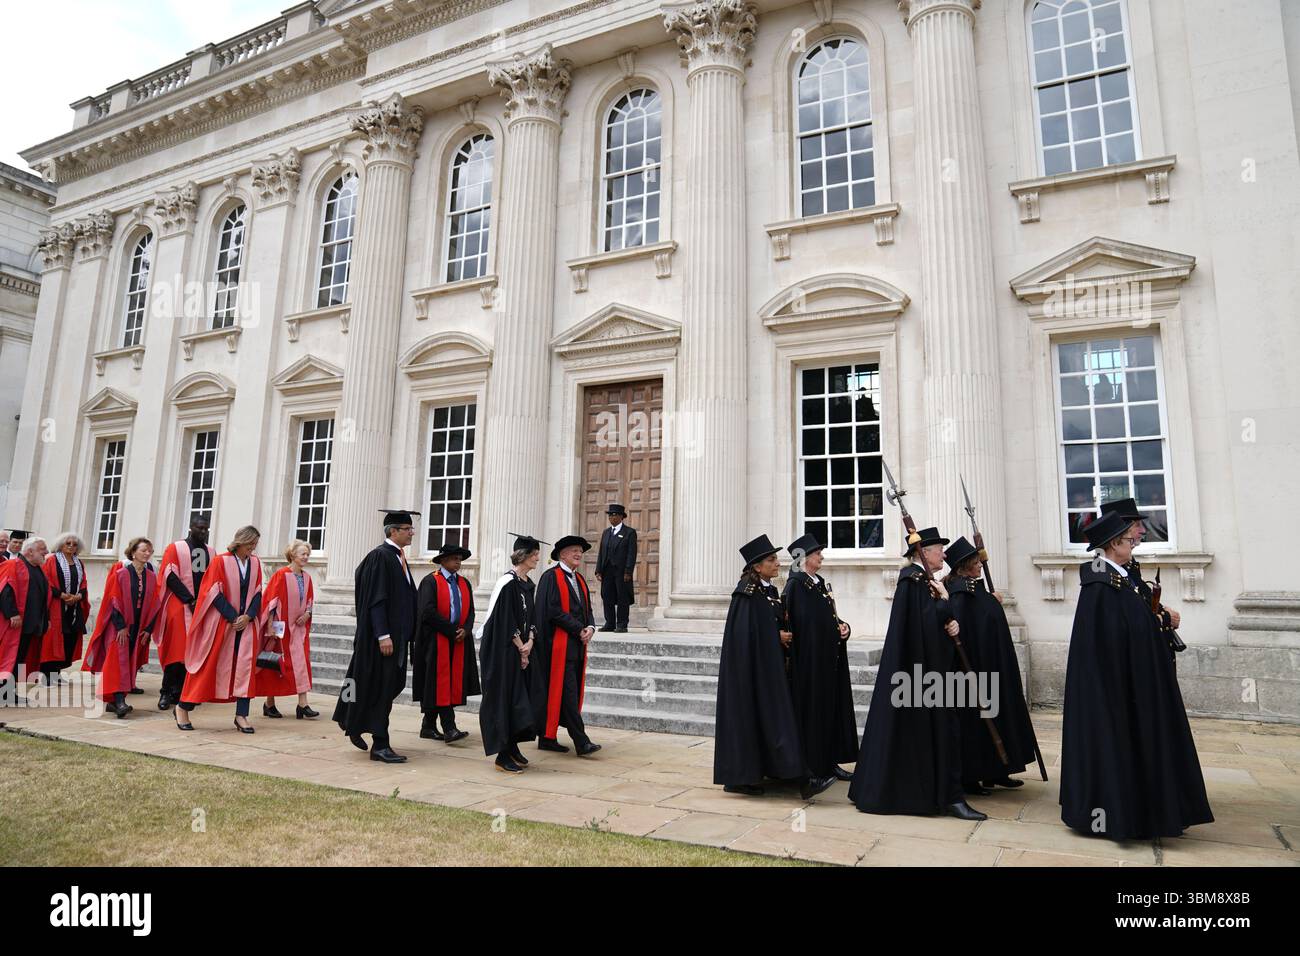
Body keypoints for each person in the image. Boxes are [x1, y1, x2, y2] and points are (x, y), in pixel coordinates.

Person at [1059, 511, 1213, 840]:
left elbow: (1133, 619)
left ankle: (1152, 810)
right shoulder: (1101, 584)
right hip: (1114, 689)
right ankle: (1121, 817)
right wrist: (1159, 623)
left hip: (1133, 683)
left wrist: (1157, 616)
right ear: (1114, 544)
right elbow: (1117, 634)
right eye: (1130, 538)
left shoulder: (1122, 577)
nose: (1136, 541)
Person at [849, 527, 987, 821]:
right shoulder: (912, 582)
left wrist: (948, 618)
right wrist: (946, 603)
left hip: (928, 672)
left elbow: (931, 622)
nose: (944, 555)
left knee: (946, 730)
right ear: (922, 552)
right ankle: (948, 797)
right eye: (939, 549)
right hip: (921, 676)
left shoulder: (924, 581)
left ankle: (949, 793)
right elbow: (924, 625)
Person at [714, 534, 832, 800]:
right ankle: (803, 780)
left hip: (772, 669)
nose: (777, 563)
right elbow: (744, 634)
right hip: (754, 674)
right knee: (779, 725)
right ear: (757, 566)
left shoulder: (768, 590)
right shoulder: (747, 591)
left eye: (776, 558)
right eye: (771, 560)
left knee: (774, 726)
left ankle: (761, 777)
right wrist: (775, 636)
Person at [942, 536, 1040, 793]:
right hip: (976, 670)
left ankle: (998, 770)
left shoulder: (977, 590)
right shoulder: (961, 593)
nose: (980, 566)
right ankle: (972, 776)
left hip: (995, 665)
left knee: (999, 718)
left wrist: (990, 600)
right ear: (965, 566)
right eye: (975, 563)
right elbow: (967, 632)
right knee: (978, 724)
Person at [332, 510, 419, 763]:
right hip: (382, 641)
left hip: (398, 639)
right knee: (376, 688)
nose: (412, 532)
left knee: (381, 687)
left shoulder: (398, 558)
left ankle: (351, 721)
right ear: (393, 531)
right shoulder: (380, 557)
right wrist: (383, 634)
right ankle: (380, 744)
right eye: (407, 528)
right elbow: (376, 601)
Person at [783, 533, 857, 783]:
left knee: (830, 713)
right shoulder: (795, 586)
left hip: (829, 661)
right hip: (810, 666)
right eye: (817, 553)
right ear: (803, 559)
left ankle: (829, 761)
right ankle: (814, 766)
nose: (821, 556)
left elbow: (829, 618)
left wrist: (843, 627)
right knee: (813, 716)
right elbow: (801, 627)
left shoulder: (818, 582)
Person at [176, 526, 264, 734]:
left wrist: (248, 616)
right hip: (222, 625)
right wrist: (234, 617)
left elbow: (259, 592)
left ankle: (241, 715)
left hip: (246, 625)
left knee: (245, 670)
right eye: (250, 544)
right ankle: (183, 707)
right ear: (240, 542)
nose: (253, 548)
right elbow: (212, 592)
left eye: (255, 545)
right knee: (207, 667)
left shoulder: (255, 563)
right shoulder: (220, 561)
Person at [531, 534, 600, 756]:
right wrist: (577, 628)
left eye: (580, 550)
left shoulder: (579, 580)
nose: (579, 553)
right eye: (574, 550)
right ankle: (582, 742)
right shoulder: (551, 577)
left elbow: (587, 609)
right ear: (562, 554)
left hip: (576, 648)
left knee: (565, 694)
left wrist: (590, 627)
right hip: (556, 648)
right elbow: (551, 610)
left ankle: (546, 737)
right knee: (568, 695)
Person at [478, 534, 542, 773]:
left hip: (522, 650)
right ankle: (502, 755)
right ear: (523, 556)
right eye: (534, 554)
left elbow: (532, 618)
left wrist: (531, 641)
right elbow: (505, 621)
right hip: (502, 653)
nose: (538, 558)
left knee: (520, 700)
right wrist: (521, 646)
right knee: (504, 699)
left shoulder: (527, 583)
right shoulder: (507, 583)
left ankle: (513, 746)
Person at [82, 538, 161, 718]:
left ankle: (114, 702)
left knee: (129, 662)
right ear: (133, 553)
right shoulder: (121, 574)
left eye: (150, 551)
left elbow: (155, 603)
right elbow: (113, 601)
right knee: (118, 662)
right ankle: (119, 701)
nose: (147, 554)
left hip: (139, 626)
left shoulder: (151, 576)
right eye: (143, 550)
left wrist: (148, 628)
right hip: (120, 627)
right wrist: (121, 627)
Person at [1100, 497, 1183, 658]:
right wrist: (1163, 618)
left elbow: (1139, 603)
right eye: (1137, 525)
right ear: (1119, 533)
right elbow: (1120, 627)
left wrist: (1161, 609)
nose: (1143, 531)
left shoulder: (1128, 565)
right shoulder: (1104, 576)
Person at [414, 542, 480, 743]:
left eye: (460, 559)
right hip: (436, 640)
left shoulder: (464, 583)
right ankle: (449, 728)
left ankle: (428, 726)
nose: (458, 562)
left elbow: (470, 612)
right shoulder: (430, 581)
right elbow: (427, 612)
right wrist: (452, 630)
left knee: (444, 683)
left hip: (459, 641)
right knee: (440, 683)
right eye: (454, 558)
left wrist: (466, 630)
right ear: (443, 560)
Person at [155, 517, 214, 711]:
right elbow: (169, 575)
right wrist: (189, 599)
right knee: (176, 650)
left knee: (193, 652)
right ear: (191, 528)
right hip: (179, 605)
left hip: (201, 608)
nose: (204, 532)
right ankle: (166, 691)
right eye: (200, 528)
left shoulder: (211, 552)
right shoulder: (176, 548)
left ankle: (180, 692)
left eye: (206, 529)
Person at [258, 539, 317, 720]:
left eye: (307, 554)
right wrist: (270, 627)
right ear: (293, 555)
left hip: (299, 628)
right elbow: (271, 601)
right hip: (281, 628)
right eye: (302, 554)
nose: (306, 557)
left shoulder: (307, 577)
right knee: (276, 666)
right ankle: (269, 704)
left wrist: (307, 614)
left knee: (302, 663)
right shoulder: (281, 575)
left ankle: (303, 704)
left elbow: (310, 601)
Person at [0, 535, 50, 706]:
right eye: (43, 549)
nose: (47, 552)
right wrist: (12, 614)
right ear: (30, 551)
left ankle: (8, 692)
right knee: (8, 659)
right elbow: (5, 591)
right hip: (14, 624)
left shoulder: (37, 569)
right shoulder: (13, 565)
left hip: (30, 624)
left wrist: (46, 619)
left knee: (19, 660)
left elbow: (43, 597)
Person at [38, 533, 91, 686]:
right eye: (68, 543)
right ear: (61, 544)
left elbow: (84, 583)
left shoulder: (79, 563)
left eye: (74, 544)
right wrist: (61, 595)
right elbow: (46, 581)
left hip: (74, 607)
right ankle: (47, 674)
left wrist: (78, 596)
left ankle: (57, 672)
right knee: (53, 640)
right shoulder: (51, 561)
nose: (71, 546)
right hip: (56, 606)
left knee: (69, 638)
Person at [595, 504, 637, 633]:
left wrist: (628, 571)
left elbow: (631, 553)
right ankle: (610, 623)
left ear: (621, 517)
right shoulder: (606, 532)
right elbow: (601, 552)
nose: (612, 517)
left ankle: (622, 624)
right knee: (607, 596)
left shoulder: (629, 532)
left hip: (622, 571)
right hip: (607, 570)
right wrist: (598, 570)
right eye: (610, 515)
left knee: (622, 597)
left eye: (614, 515)